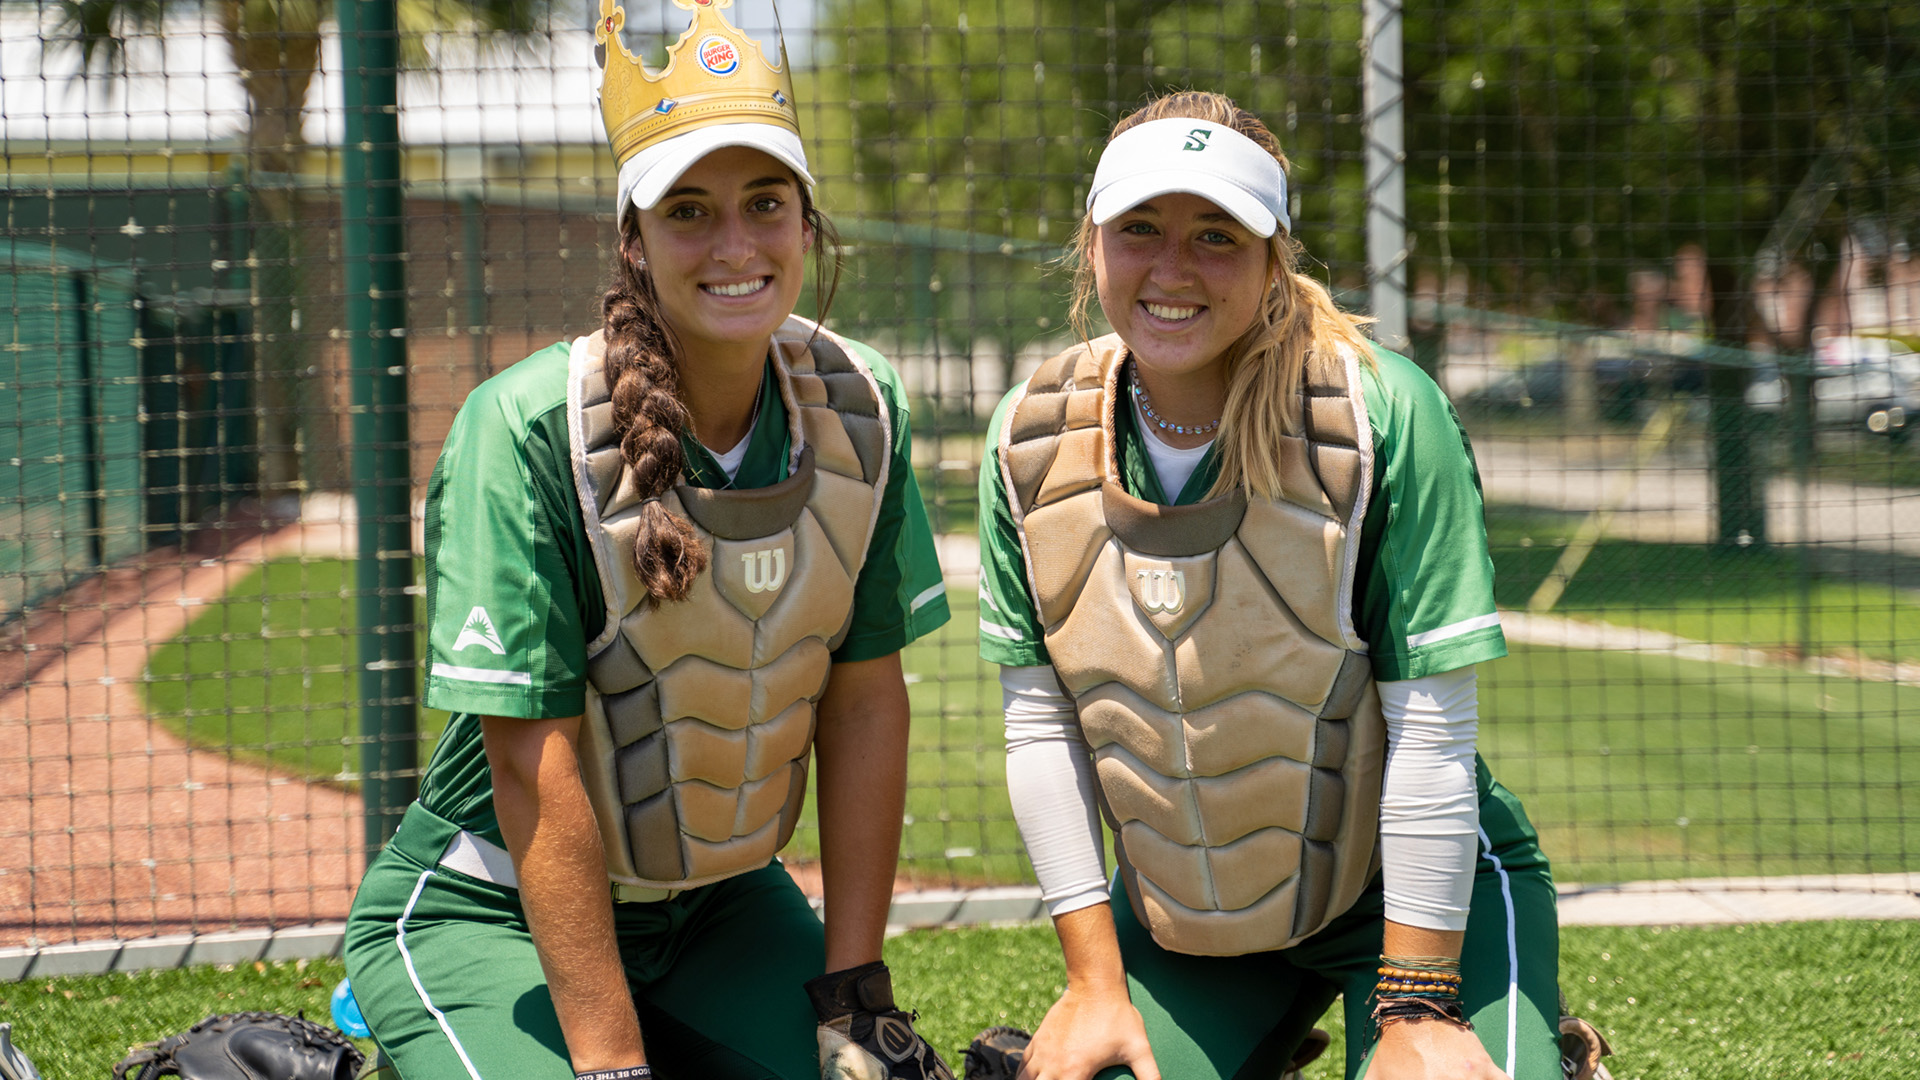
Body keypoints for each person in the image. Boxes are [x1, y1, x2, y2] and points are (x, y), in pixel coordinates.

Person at [343, 3, 955, 1078]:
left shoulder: (864, 408)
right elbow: (534, 767)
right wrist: (612, 1060)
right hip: (488, 910)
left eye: (767, 203)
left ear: (807, 223)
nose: (735, 245)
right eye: (688, 211)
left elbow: (864, 701)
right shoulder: (525, 427)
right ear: (634, 238)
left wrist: (854, 1000)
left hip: (717, 908)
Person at [975, 91, 1589, 1080]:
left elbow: (1433, 726)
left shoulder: (1386, 412)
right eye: (1141, 229)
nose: (1172, 268)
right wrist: (1094, 984)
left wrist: (1423, 1004)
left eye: (1216, 235)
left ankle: (1531, 1052)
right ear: (1093, 243)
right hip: (1194, 913)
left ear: (1273, 259)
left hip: (1418, 903)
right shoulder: (1029, 436)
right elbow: (1039, 729)